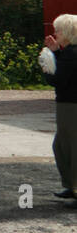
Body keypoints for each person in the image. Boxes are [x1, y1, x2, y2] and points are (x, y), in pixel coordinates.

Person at [39, 13, 77, 203]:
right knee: (63, 146)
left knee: (68, 147)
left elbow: (58, 79)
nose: (55, 33)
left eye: (58, 30)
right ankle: (71, 186)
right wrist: (56, 51)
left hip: (70, 107)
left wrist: (47, 66)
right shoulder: (70, 52)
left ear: (69, 32)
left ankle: (73, 187)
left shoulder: (71, 54)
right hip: (69, 104)